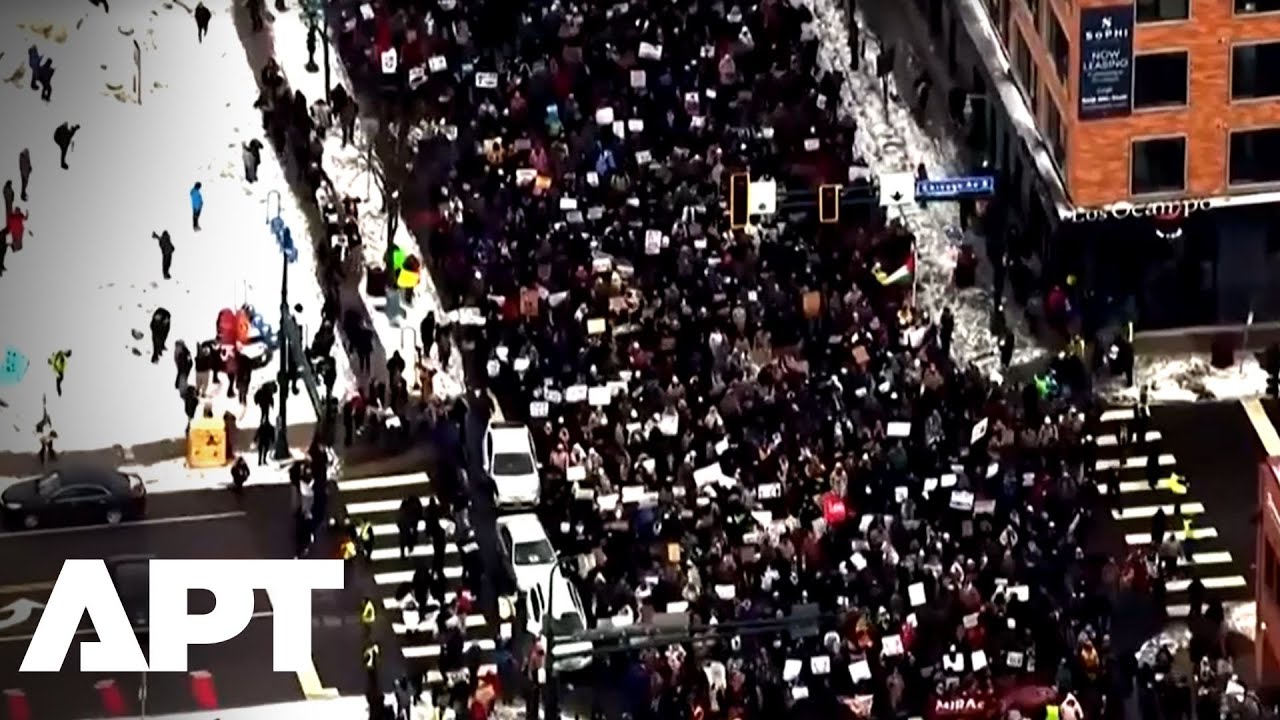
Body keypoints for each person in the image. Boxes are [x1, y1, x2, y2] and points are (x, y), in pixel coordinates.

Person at [398, 494, 423, 558]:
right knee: (407, 537)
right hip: (407, 524)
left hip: (406, 524)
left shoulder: (405, 509)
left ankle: (405, 551)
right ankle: (408, 549)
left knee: (405, 538)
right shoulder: (411, 508)